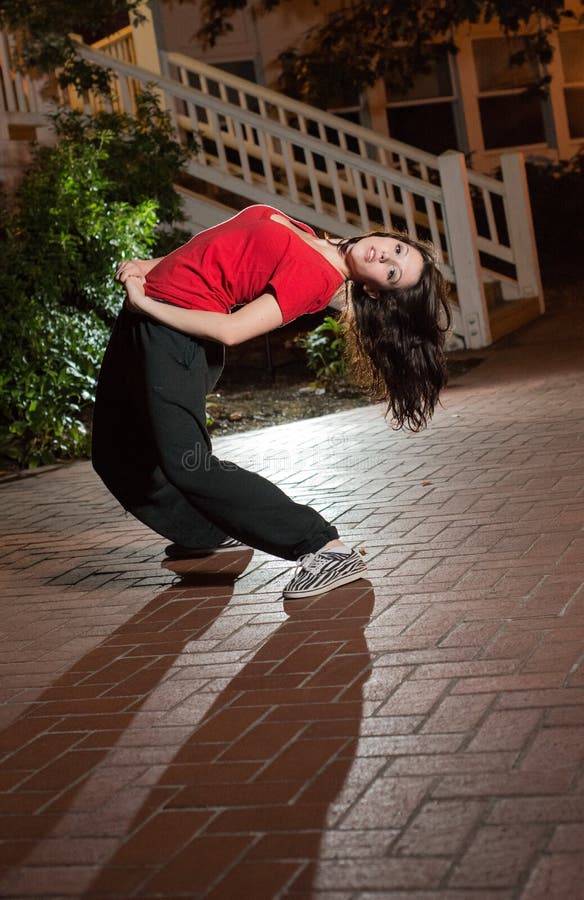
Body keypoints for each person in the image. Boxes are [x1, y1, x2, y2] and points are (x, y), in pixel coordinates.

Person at [92, 204, 450, 598]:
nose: (385, 256)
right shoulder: (306, 233)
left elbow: (231, 330)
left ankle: (321, 546)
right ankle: (210, 529)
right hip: (145, 320)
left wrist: (147, 304)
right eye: (397, 251)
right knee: (114, 452)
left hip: (175, 337)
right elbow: (214, 248)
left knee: (189, 464)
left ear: (373, 290)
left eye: (392, 273)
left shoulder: (316, 275)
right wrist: (151, 266)